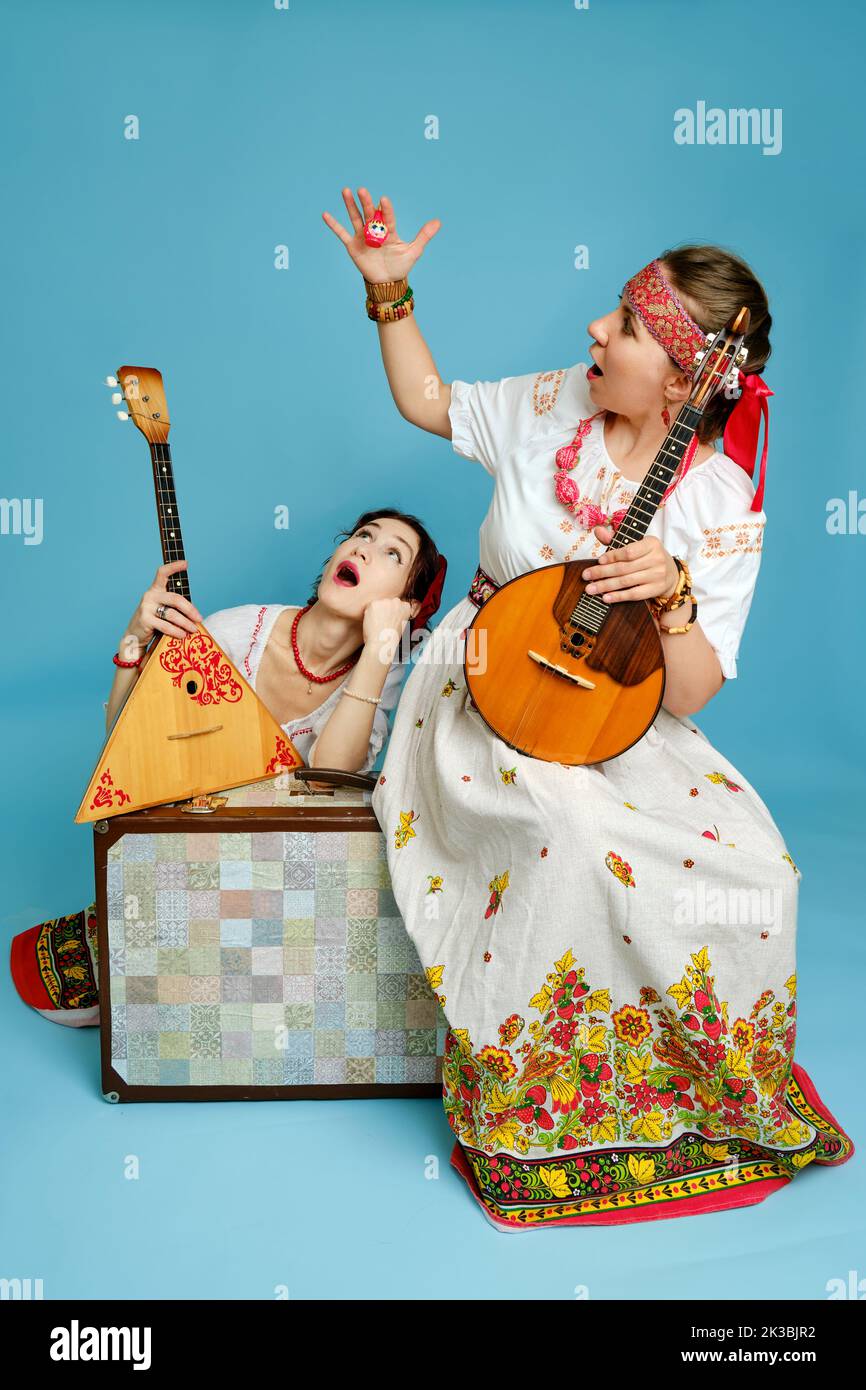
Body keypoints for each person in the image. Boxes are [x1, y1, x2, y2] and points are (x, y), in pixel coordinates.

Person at [322, 187, 854, 1229]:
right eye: (612, 309)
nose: (592, 330)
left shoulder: (719, 504)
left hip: (617, 713)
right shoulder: (551, 399)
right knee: (565, 828)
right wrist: (391, 298)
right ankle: (535, 1108)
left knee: (756, 867)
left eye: (621, 326)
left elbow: (692, 690)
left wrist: (672, 595)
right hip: (479, 684)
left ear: (681, 377)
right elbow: (430, 401)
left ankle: (670, 1090)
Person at [11, 508, 447, 1028]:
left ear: (406, 605)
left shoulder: (383, 675)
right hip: (186, 850)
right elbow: (131, 745)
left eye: (391, 553)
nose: (363, 550)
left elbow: (330, 778)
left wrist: (381, 651)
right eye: (361, 536)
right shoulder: (236, 631)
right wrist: (132, 640)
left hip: (275, 874)